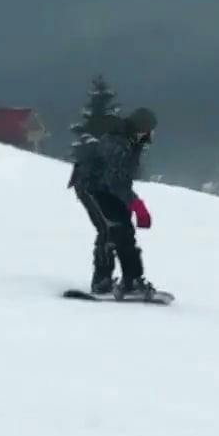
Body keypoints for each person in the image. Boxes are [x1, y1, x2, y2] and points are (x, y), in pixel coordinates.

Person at [69, 106, 159, 299]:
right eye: (148, 131)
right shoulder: (117, 144)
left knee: (124, 229)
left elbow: (121, 180)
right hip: (90, 186)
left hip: (107, 188)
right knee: (109, 229)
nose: (150, 136)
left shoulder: (131, 143)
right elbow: (115, 180)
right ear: (140, 129)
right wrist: (136, 204)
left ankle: (132, 279)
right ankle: (102, 281)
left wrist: (129, 205)